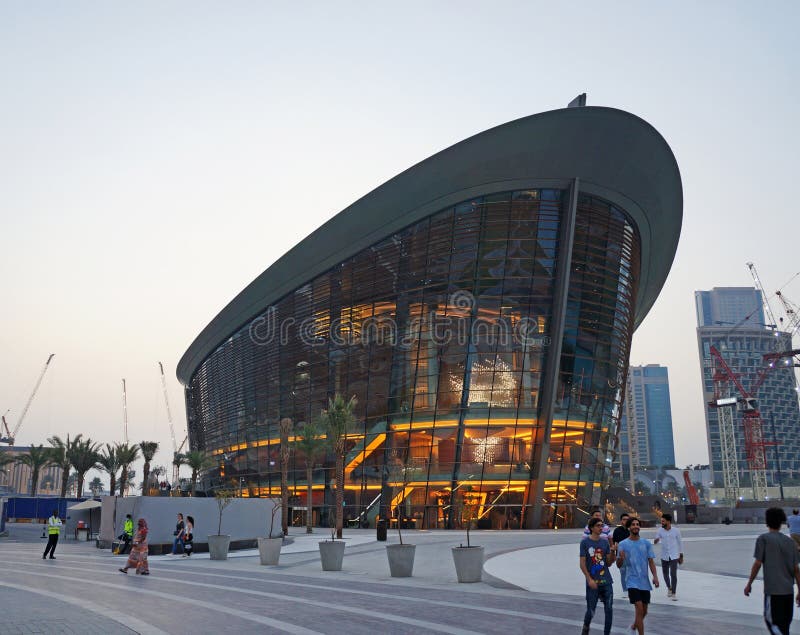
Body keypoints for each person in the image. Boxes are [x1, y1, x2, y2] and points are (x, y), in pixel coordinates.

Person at [744, 507, 800, 635]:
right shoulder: (790, 543)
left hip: (773, 592)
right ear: (782, 522)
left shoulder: (763, 539)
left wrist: (749, 584)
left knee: (772, 622)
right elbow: (796, 569)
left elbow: (757, 564)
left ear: (767, 522)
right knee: (784, 626)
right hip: (788, 592)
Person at [617, 517, 659, 635]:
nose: (636, 526)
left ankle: (634, 626)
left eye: (637, 524)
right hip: (631, 581)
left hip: (644, 582)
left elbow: (651, 561)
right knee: (639, 608)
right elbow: (619, 565)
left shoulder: (646, 543)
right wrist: (621, 558)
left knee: (644, 611)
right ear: (629, 527)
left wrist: (655, 577)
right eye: (633, 524)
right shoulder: (623, 544)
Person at [580, 517, 615, 635]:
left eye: (602, 525)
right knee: (591, 610)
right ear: (591, 528)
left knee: (609, 609)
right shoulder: (585, 543)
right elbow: (582, 564)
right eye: (598, 526)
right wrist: (589, 579)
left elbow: (609, 563)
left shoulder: (604, 542)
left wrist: (613, 552)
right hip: (593, 582)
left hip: (606, 581)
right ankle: (586, 626)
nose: (601, 528)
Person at [654, 512, 683, 601]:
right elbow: (655, 541)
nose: (662, 523)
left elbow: (680, 543)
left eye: (663, 521)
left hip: (674, 556)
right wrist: (656, 540)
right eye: (661, 521)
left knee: (673, 574)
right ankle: (669, 587)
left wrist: (681, 555)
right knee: (665, 574)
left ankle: (674, 593)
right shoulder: (660, 530)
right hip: (664, 556)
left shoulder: (676, 531)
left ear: (668, 522)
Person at [612, 514, 632, 597]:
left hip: (631, 555)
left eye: (627, 519)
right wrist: (614, 554)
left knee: (630, 573)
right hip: (620, 555)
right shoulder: (617, 530)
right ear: (621, 521)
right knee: (623, 572)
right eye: (624, 519)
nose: (626, 521)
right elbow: (614, 543)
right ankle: (625, 590)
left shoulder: (632, 529)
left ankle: (631, 589)